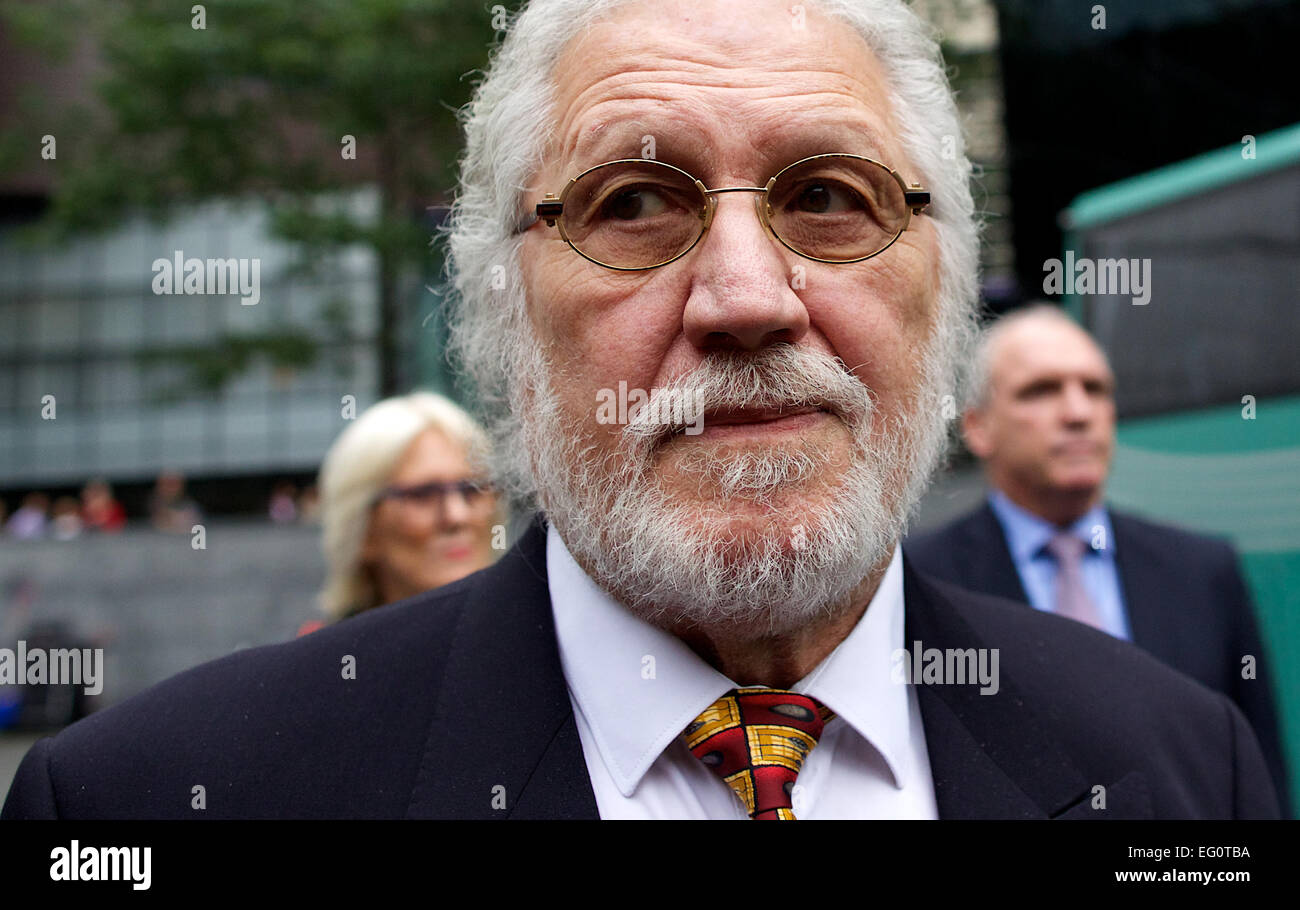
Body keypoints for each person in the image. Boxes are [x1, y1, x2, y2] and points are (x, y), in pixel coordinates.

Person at [2, 0, 1279, 820]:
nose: (744, 298)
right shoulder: (152, 805)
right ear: (499, 313)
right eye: (631, 205)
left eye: (829, 197)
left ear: (942, 288)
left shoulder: (1180, 769)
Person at [905, 304, 1292, 813]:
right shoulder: (919, 580)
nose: (1078, 412)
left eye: (1095, 389)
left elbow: (1256, 769)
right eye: (1041, 391)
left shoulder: (1202, 569)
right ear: (978, 428)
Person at [315, 391, 502, 622]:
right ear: (363, 528)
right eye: (422, 495)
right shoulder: (331, 656)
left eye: (472, 489)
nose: (457, 515)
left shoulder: (544, 641)